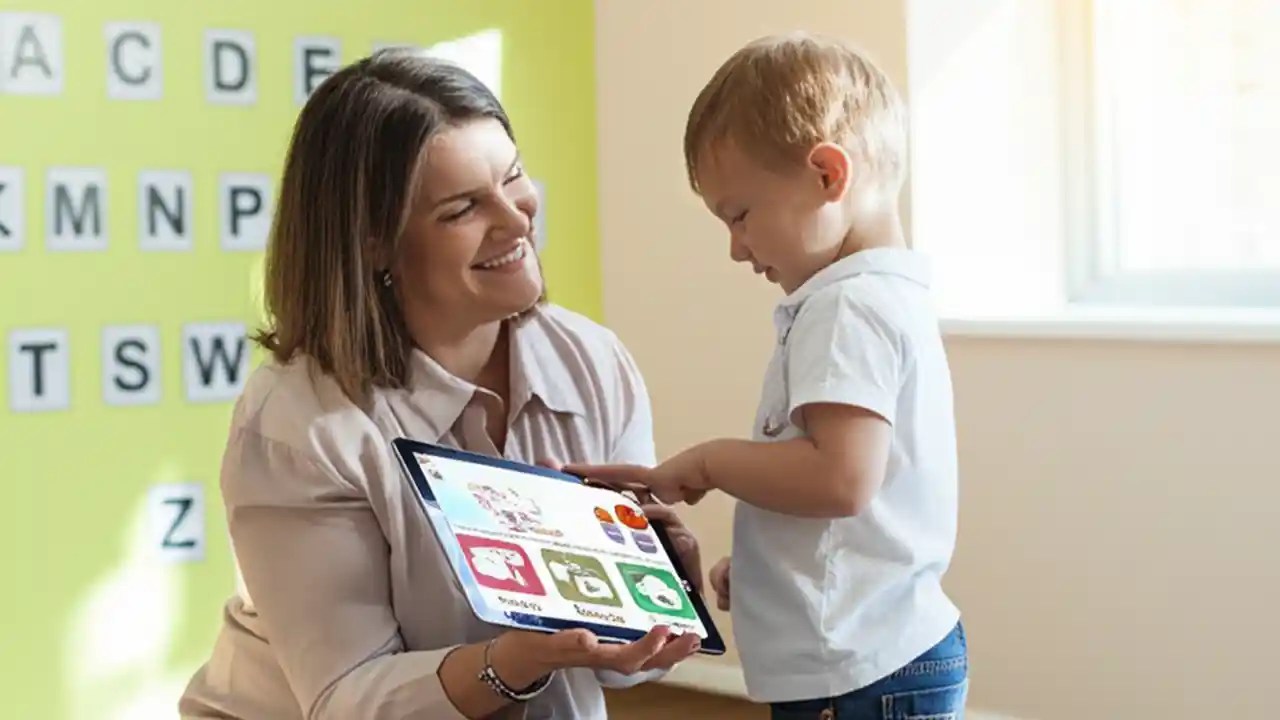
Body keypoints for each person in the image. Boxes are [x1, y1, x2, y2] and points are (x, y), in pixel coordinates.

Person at [178, 50, 701, 720]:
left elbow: (616, 669)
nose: (516, 221)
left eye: (513, 177)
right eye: (462, 209)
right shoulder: (300, 424)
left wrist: (656, 601)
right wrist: (518, 660)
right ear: (373, 242)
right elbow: (347, 699)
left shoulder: (593, 363)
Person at [569, 33, 968, 719]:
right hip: (881, 649)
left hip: (859, 675)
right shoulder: (885, 294)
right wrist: (769, 571)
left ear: (826, 175)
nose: (735, 248)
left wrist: (710, 461)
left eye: (741, 215)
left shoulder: (845, 306)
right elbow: (857, 502)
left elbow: (839, 479)